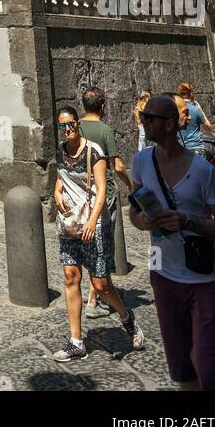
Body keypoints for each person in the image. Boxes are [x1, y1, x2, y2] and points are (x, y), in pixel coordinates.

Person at [129, 93, 215, 392]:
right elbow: (134, 212)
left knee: (210, 365)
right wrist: (143, 221)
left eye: (149, 118)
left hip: (202, 278)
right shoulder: (140, 162)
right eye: (143, 117)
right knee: (182, 366)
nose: (143, 122)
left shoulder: (203, 171)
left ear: (169, 124)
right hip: (162, 275)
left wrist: (188, 222)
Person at [52, 105, 145, 361]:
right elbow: (60, 179)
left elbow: (102, 189)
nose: (68, 129)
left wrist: (93, 220)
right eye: (63, 125)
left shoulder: (94, 151)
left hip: (95, 224)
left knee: (100, 284)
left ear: (77, 124)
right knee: (71, 277)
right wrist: (57, 192)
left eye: (71, 124)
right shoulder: (60, 152)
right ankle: (76, 341)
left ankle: (127, 318)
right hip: (70, 224)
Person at [80, 86, 133, 320]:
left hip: (80, 193)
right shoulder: (105, 130)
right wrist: (131, 185)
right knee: (101, 246)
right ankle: (93, 299)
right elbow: (118, 166)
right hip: (104, 193)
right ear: (103, 107)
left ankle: (97, 292)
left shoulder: (75, 127)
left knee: (89, 244)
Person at [177, 82, 212, 158]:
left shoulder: (176, 110)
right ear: (191, 94)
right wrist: (200, 109)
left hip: (180, 148)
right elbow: (208, 127)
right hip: (196, 147)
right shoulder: (195, 109)